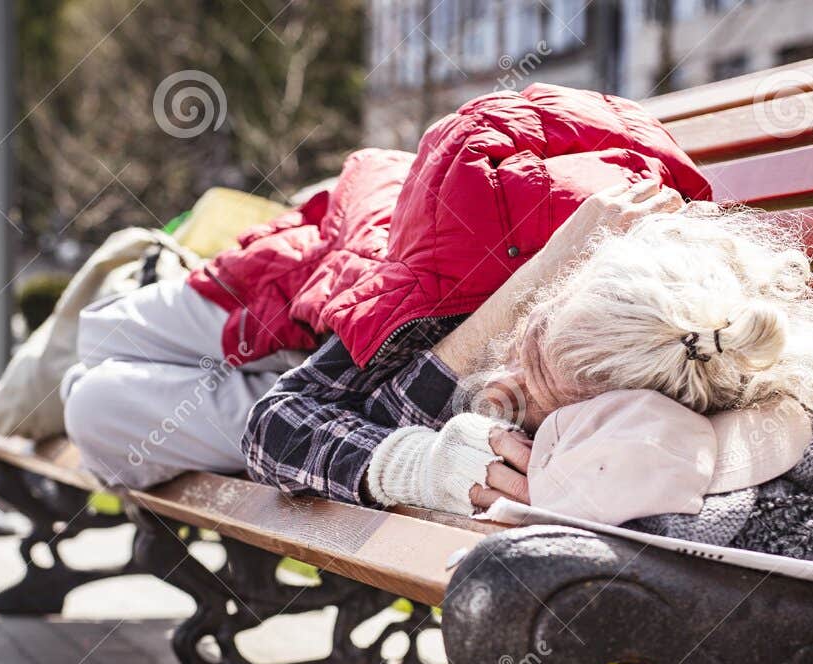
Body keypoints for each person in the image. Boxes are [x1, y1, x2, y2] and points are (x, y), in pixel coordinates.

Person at [62, 84, 711, 489]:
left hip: (336, 344)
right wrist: (528, 283)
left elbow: (295, 425)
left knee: (92, 400)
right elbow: (304, 422)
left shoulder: (636, 343)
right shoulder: (460, 268)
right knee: (95, 345)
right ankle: (262, 369)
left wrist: (529, 284)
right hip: (320, 286)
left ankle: (260, 373)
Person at [241, 194, 813, 566]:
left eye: (540, 402)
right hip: (291, 286)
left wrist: (419, 459)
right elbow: (277, 423)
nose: (509, 378)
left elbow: (292, 426)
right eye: (533, 336)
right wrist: (529, 277)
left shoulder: (678, 364)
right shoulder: (498, 262)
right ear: (569, 285)